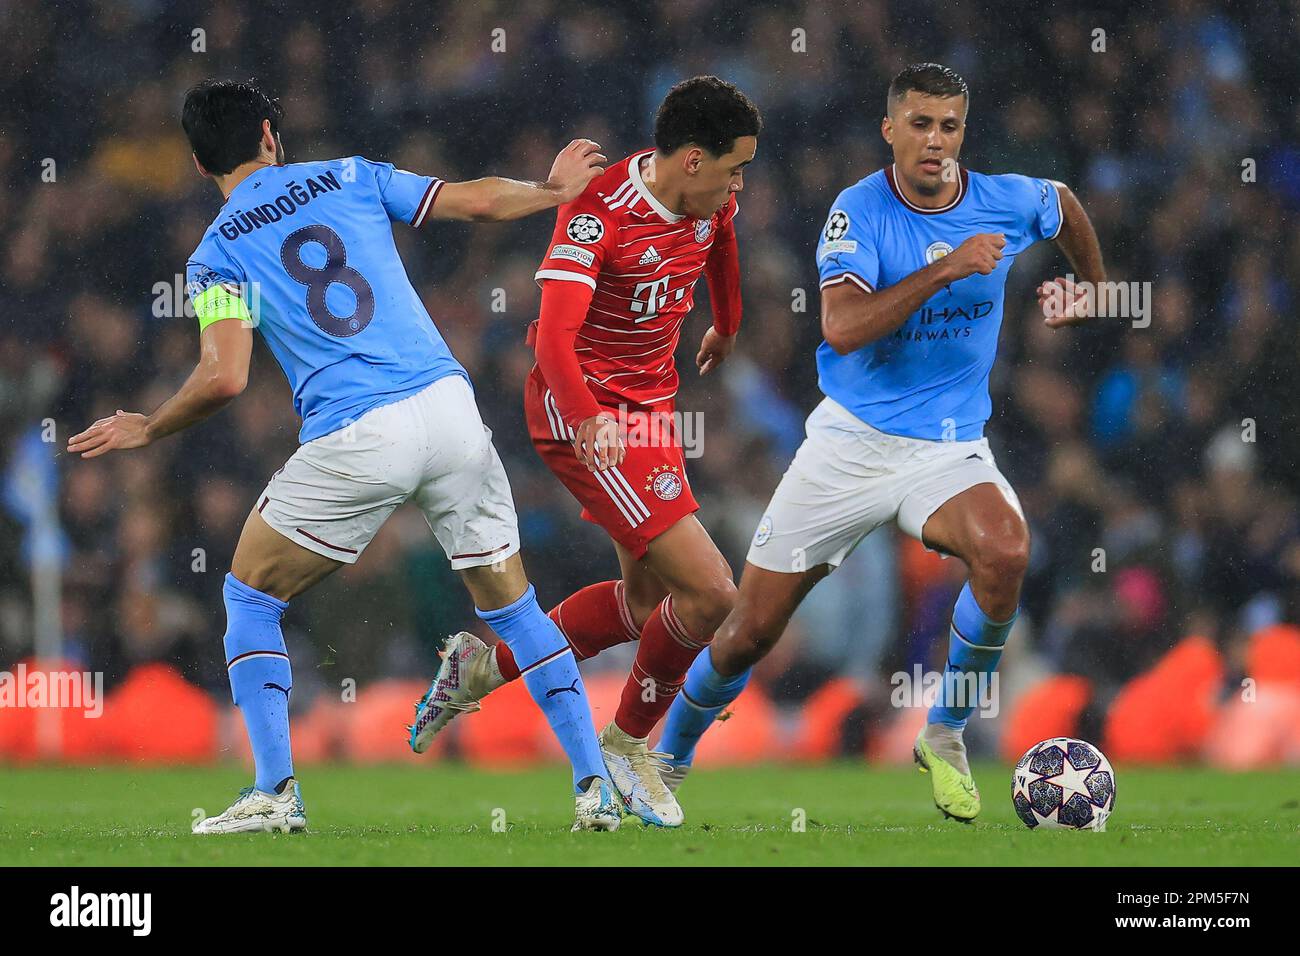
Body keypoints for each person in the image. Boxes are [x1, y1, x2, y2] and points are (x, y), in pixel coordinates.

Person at [68, 79, 623, 834]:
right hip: (450, 407)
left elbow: (225, 376)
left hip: (361, 431)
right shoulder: (350, 174)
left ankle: (274, 790)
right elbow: (479, 201)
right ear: (270, 136)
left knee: (249, 598)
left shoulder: (215, 254)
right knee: (515, 609)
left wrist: (152, 426)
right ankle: (595, 788)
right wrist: (554, 190)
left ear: (200, 168)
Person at [656, 62, 1107, 822]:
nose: (936, 142)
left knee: (1005, 553)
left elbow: (1061, 206)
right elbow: (842, 326)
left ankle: (946, 730)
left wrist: (1089, 284)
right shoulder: (857, 212)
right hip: (850, 445)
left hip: (947, 447)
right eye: (921, 125)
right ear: (890, 129)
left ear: (964, 131)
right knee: (747, 634)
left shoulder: (1001, 197)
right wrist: (946, 269)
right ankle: (666, 756)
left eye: (950, 126)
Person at [410, 76, 761, 828]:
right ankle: (630, 743)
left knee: (645, 606)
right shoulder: (600, 214)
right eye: (733, 168)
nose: (740, 184)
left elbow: (724, 243)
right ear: (692, 160)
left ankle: (478, 668)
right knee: (712, 594)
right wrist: (589, 421)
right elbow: (558, 342)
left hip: (651, 411)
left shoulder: (711, 199)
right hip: (584, 412)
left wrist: (726, 324)